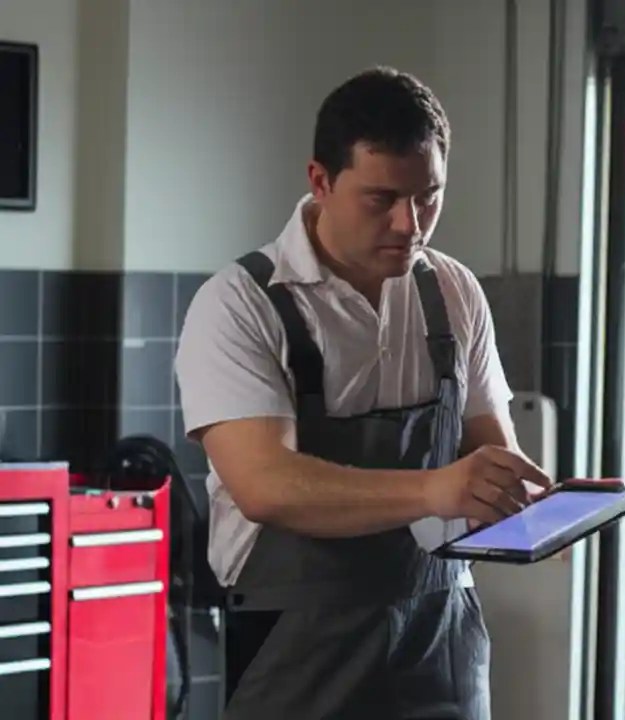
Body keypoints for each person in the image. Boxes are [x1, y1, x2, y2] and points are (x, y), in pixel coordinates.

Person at [174, 66, 551, 720]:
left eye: (428, 196)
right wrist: (435, 490)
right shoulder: (239, 304)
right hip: (295, 654)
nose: (411, 224)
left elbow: (490, 453)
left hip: (441, 644)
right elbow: (266, 484)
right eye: (382, 199)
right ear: (320, 181)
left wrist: (527, 502)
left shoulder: (453, 292)